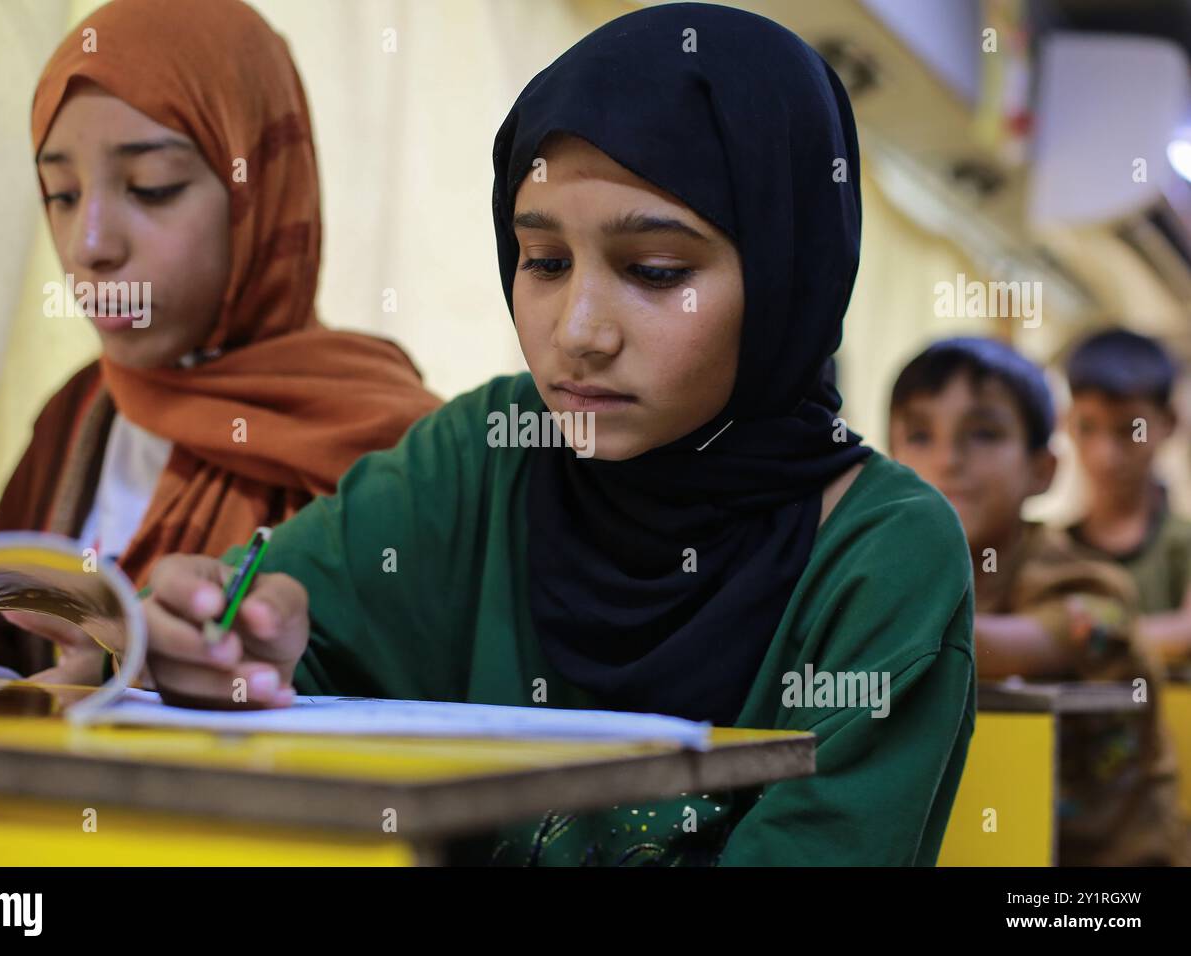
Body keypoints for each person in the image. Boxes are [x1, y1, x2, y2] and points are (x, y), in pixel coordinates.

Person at [131, 2, 976, 865]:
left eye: (655, 271)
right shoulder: (481, 453)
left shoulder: (883, 557)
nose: (578, 331)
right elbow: (260, 652)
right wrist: (220, 650)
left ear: (790, 272)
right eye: (543, 261)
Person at [0, 0, 441, 683]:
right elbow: (22, 659)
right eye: (62, 194)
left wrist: (142, 669)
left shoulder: (386, 450)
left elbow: (398, 699)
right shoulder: (81, 415)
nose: (89, 245)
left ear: (262, 193)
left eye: (152, 188)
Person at [890, 336, 1182, 865]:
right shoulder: (902, 570)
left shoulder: (1089, 582)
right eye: (919, 434)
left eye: (982, 433)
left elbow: (1010, 645)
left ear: (1042, 470)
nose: (948, 459)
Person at [1064, 328, 1191, 664]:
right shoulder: (1049, 548)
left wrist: (1075, 635)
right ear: (1066, 423)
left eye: (1129, 430)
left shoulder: (1182, 546)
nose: (1105, 454)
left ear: (1169, 423)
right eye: (1087, 427)